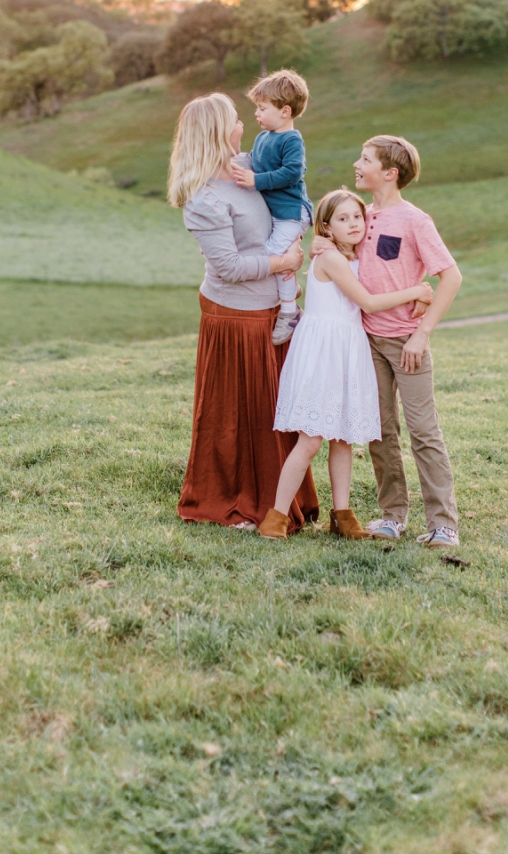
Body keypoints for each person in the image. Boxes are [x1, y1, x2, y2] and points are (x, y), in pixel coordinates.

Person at [168, 91, 318, 532]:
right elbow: (230, 267)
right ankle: (236, 499)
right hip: (235, 318)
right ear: (217, 130)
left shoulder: (246, 170)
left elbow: (286, 199)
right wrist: (282, 263)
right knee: (239, 418)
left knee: (273, 411)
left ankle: (279, 497)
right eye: (235, 120)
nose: (243, 126)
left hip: (271, 309)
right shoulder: (203, 199)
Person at [258, 188, 437, 540]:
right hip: (324, 349)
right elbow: (368, 302)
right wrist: (417, 291)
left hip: (349, 347)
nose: (353, 223)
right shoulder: (330, 259)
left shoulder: (354, 254)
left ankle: (343, 516)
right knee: (310, 440)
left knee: (343, 437)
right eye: (342, 219)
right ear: (326, 227)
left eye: (358, 216)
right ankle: (275, 516)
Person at [311, 135, 463, 549]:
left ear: (389, 173)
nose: (356, 165)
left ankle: (443, 524)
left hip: (405, 343)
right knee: (379, 430)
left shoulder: (415, 220)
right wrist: (322, 241)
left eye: (365, 160)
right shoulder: (361, 215)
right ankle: (393, 515)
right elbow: (341, 244)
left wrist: (422, 331)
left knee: (423, 431)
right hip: (366, 341)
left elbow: (450, 277)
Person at [231, 69, 312, 345]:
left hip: (292, 213)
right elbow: (253, 161)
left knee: (272, 256)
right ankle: (290, 289)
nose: (257, 113)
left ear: (285, 111)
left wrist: (256, 180)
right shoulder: (263, 138)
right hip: (276, 215)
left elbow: (292, 173)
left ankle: (289, 311)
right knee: (276, 256)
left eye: (262, 108)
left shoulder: (291, 140)